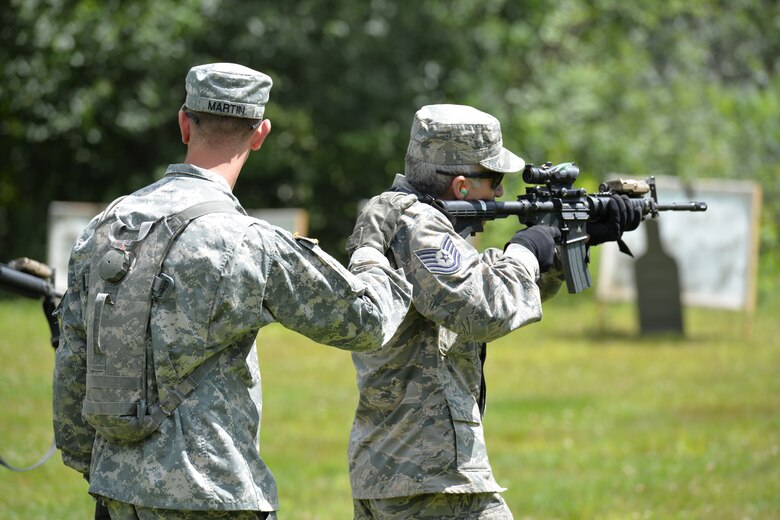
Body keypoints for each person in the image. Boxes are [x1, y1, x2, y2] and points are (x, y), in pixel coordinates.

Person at [52, 62, 412, 520]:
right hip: (212, 495)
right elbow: (367, 323)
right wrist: (376, 253)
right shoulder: (249, 242)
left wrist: (101, 469)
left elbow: (72, 365)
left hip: (116, 496)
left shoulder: (106, 226)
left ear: (184, 122)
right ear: (260, 133)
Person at [345, 104, 641, 519]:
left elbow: (477, 287)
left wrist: (570, 242)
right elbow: (486, 309)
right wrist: (527, 247)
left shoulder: (413, 220)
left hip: (410, 468)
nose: (501, 193)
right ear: (462, 186)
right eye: (495, 180)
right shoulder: (418, 225)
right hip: (430, 477)